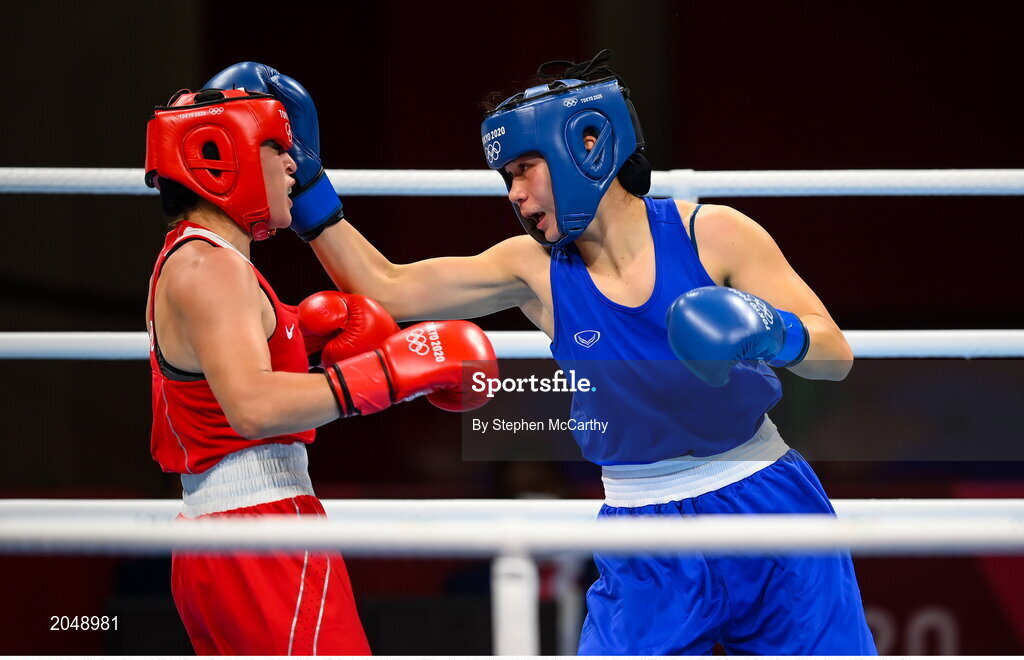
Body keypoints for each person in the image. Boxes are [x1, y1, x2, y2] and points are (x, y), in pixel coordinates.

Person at [208, 53, 874, 654]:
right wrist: (310, 189)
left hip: (765, 499)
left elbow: (834, 353)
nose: (515, 196)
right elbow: (390, 287)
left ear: (589, 143)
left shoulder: (716, 234)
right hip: (643, 531)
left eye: (524, 170)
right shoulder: (533, 269)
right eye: (507, 177)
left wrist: (769, 328)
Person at [144, 85, 497, 655]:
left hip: (235, 530)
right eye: (275, 147)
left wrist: (304, 342)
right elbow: (253, 406)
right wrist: (386, 373)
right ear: (223, 155)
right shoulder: (210, 267)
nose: (292, 164)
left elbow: (222, 384)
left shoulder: (199, 259)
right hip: (258, 531)